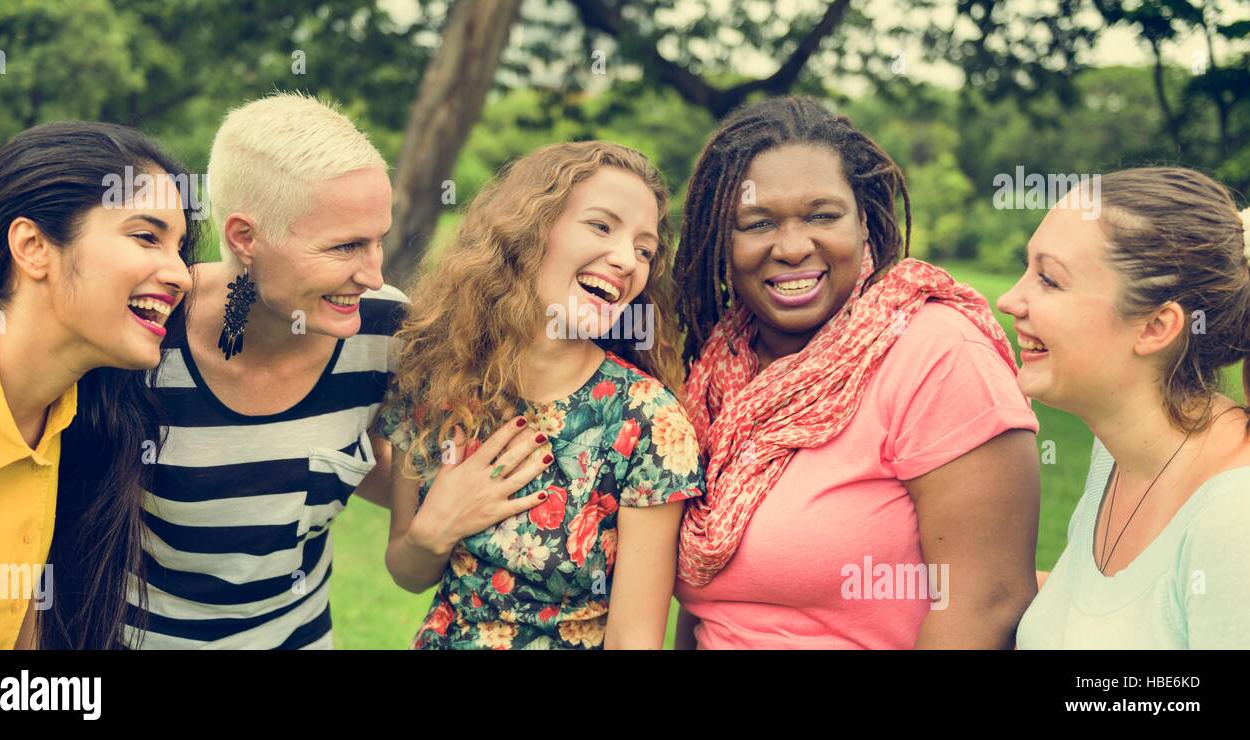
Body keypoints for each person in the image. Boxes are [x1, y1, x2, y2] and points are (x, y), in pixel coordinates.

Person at [672, 96, 1041, 649]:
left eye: (822, 215)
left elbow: (988, 607)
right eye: (758, 222)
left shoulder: (935, 353)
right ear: (720, 242)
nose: (793, 247)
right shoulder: (715, 373)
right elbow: (713, 611)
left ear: (865, 220)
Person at [380, 141, 703, 649]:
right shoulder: (434, 378)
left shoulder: (646, 422)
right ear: (529, 230)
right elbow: (407, 569)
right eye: (601, 226)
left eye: (645, 250)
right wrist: (436, 526)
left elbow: (633, 641)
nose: (626, 261)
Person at [125, 92, 406, 649]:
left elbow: (363, 461)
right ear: (244, 238)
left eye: (379, 241)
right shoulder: (144, 334)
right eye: (345, 246)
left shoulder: (383, 330)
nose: (373, 275)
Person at [0, 121, 197, 648]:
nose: (182, 275)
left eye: (179, 249)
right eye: (146, 236)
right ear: (33, 245)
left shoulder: (64, 410)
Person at [1001, 167, 1250, 649]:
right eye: (1027, 269)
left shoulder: (1233, 519)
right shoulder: (1115, 453)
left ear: (1156, 326)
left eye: (1049, 281)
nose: (1010, 299)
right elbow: (1106, 614)